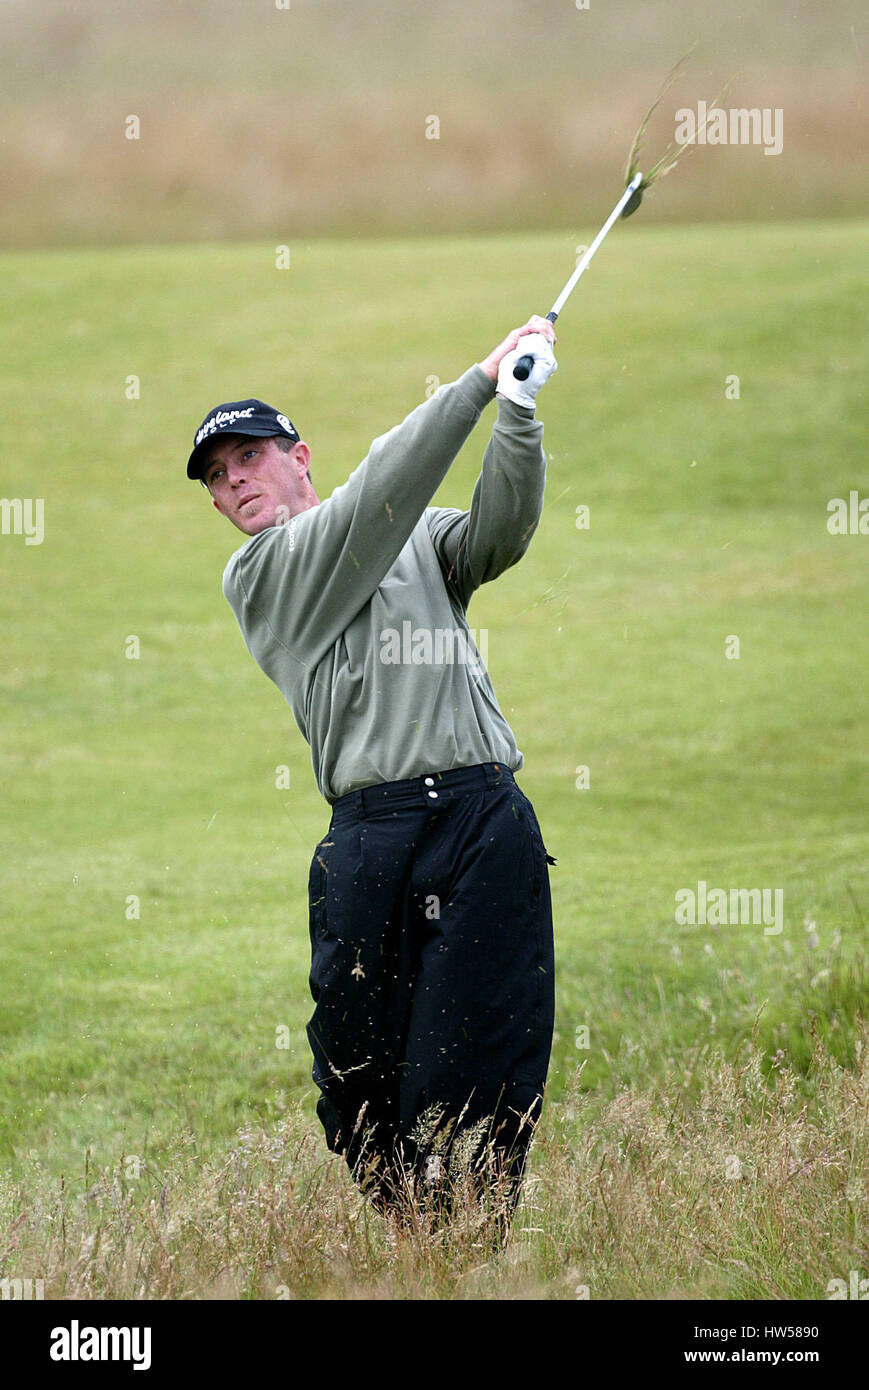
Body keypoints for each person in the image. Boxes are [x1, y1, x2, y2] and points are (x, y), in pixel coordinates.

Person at [186, 316, 559, 1228]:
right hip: (371, 835)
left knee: (473, 1045)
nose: (232, 481)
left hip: (478, 818)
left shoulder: (411, 538)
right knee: (357, 1067)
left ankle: (469, 1237)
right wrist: (473, 382)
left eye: (246, 457)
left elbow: (496, 537)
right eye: (215, 477)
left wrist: (514, 411)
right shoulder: (263, 574)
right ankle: (412, 1233)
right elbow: (375, 502)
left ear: (298, 455)